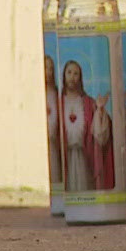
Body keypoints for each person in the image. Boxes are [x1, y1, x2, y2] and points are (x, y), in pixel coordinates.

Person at [58, 60, 115, 192]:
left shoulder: (89, 103)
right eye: (69, 72)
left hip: (84, 158)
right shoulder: (58, 102)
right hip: (65, 158)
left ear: (80, 78)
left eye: (76, 74)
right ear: (64, 75)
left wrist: (100, 111)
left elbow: (100, 135)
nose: (72, 77)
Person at [44, 56, 63, 190]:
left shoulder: (56, 94)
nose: (48, 71)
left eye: (51, 68)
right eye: (46, 67)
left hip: (54, 143)